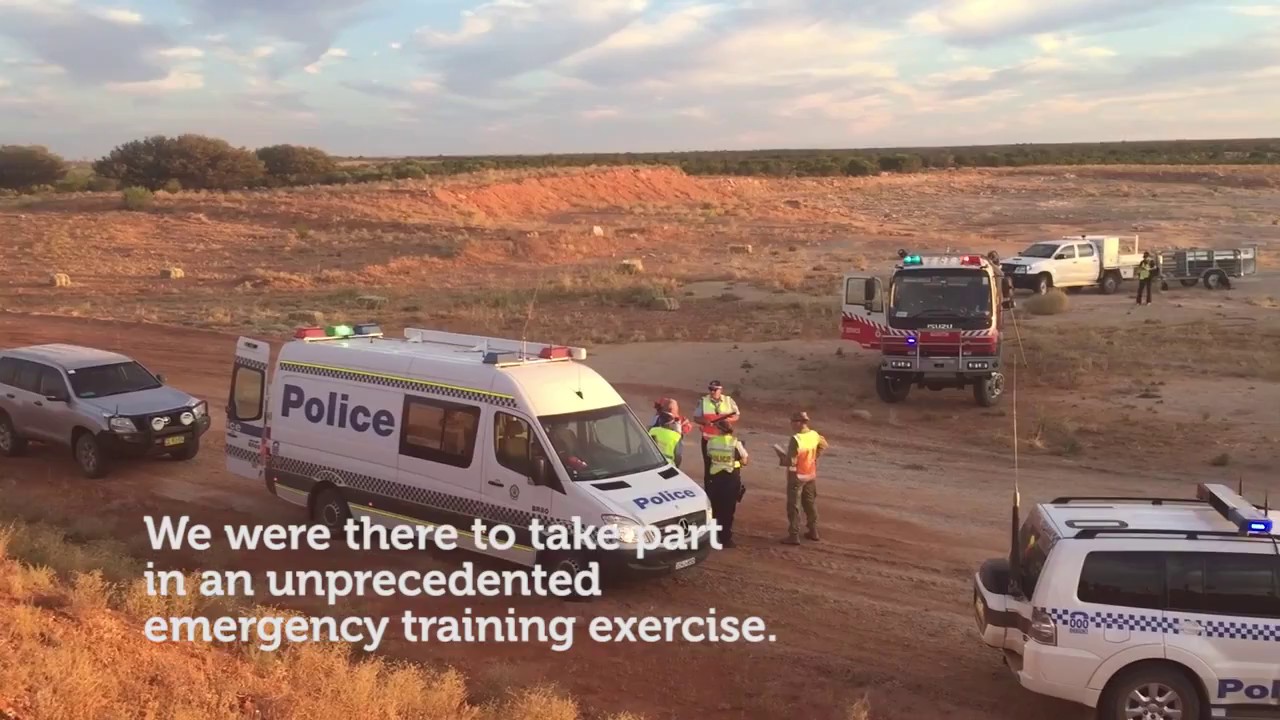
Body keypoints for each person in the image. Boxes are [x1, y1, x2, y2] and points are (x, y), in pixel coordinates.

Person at [781, 411, 828, 545]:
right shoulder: (814, 435)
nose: (791, 424)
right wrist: (814, 457)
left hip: (796, 476)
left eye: (793, 422)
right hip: (810, 474)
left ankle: (793, 535)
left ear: (800, 423)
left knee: (793, 506)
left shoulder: (796, 439)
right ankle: (813, 531)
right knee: (810, 503)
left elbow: (790, 460)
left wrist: (782, 459)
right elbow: (824, 445)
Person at [705, 419, 748, 548]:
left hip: (715, 478)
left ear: (719, 430)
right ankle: (725, 538)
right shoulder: (735, 443)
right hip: (731, 478)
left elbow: (709, 456)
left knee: (714, 509)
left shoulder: (711, 442)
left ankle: (712, 537)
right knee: (728, 510)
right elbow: (745, 460)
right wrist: (738, 463)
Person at [691, 380, 740, 480]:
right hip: (708, 439)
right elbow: (696, 417)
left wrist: (726, 420)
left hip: (725, 440)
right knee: (708, 466)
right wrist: (704, 421)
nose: (712, 392)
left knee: (726, 466)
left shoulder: (728, 400)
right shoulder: (703, 401)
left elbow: (736, 415)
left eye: (714, 389)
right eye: (710, 389)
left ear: (720, 390)